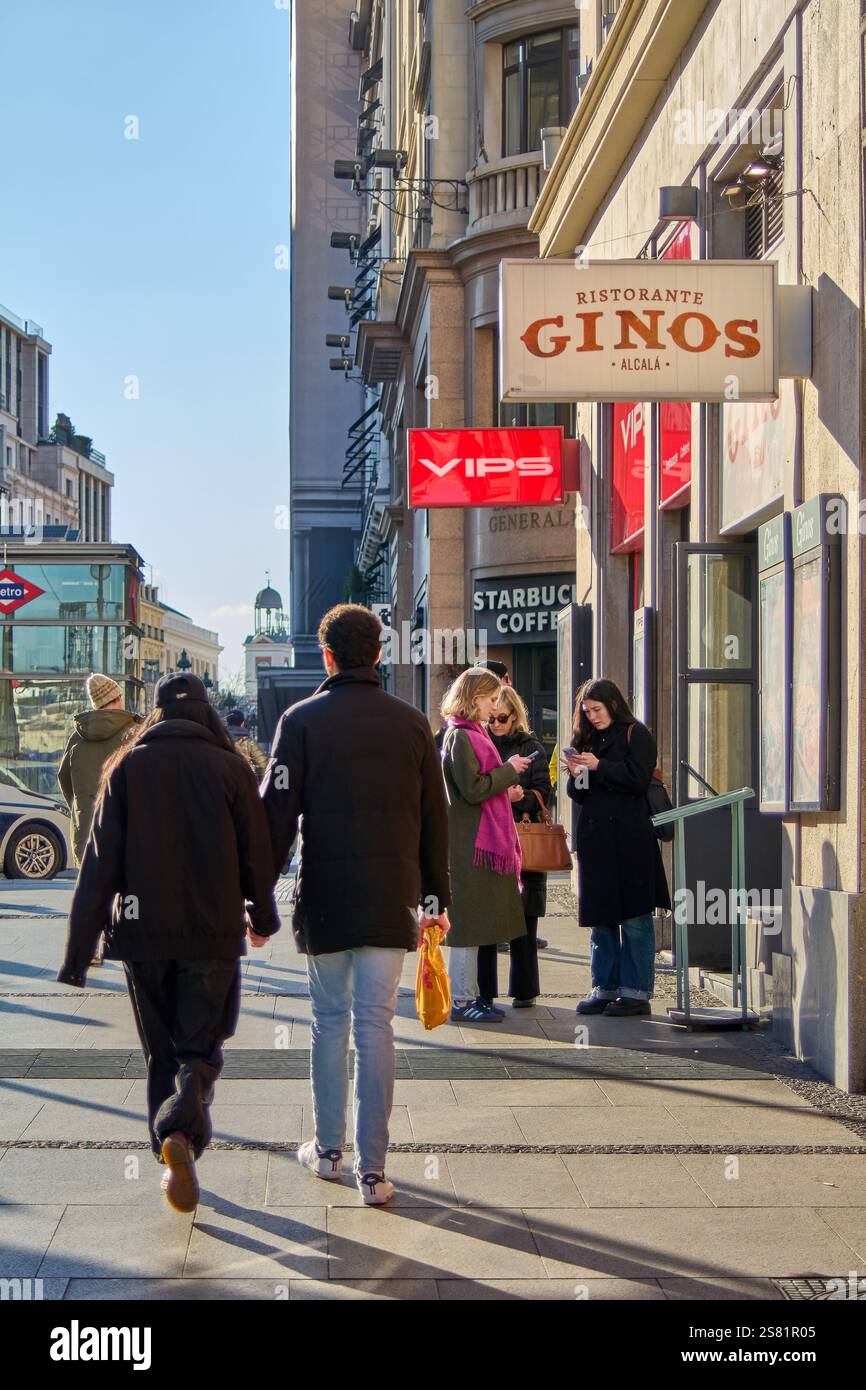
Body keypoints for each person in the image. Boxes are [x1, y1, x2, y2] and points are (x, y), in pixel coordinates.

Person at [57, 672, 280, 1213]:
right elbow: (258, 856)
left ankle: (170, 1146)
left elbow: (98, 865)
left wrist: (79, 951)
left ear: (154, 714)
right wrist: (263, 918)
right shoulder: (231, 768)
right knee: (200, 1045)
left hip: (142, 935)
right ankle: (180, 1131)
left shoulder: (127, 768)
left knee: (160, 1053)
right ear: (207, 714)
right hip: (213, 933)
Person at [261, 603, 450, 1206]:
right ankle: (374, 1173)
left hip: (326, 899)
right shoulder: (413, 723)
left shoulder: (300, 720)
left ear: (327, 656)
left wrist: (256, 900)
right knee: (376, 1029)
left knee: (328, 1024)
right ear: (379, 654)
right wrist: (435, 899)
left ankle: (329, 1152)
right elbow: (434, 821)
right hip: (392, 900)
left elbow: (276, 819)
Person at [563, 677, 670, 1017]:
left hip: (631, 839)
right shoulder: (587, 738)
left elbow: (638, 779)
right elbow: (578, 793)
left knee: (635, 917)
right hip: (597, 840)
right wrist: (576, 771)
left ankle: (636, 992)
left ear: (612, 704)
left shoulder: (636, 733)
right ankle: (604, 987)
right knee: (601, 918)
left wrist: (599, 766)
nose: (592, 716)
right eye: (587, 711)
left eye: (596, 709)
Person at [440, 667, 529, 1022]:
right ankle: (461, 1001)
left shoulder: (468, 734)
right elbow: (473, 789)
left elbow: (476, 787)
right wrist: (508, 770)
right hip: (470, 842)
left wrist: (504, 784)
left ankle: (468, 997)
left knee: (471, 924)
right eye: (491, 700)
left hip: (472, 839)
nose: (495, 708)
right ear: (475, 698)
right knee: (465, 926)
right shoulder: (462, 736)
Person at [477, 685, 551, 1008]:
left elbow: (544, 793)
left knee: (523, 920)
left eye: (502, 718)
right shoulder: (481, 743)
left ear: (515, 716)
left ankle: (524, 990)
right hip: (490, 840)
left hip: (521, 839)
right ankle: (484, 992)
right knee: (488, 920)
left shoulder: (531, 746)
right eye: (492, 719)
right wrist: (500, 794)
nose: (495, 724)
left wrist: (523, 800)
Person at [57, 673, 141, 866]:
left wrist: (81, 809)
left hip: (88, 832)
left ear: (96, 704)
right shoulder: (135, 733)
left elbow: (64, 779)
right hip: (127, 831)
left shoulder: (77, 738)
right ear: (118, 698)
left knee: (92, 893)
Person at [225, 708, 268, 777]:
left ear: (227, 723)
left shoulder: (220, 741)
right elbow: (263, 764)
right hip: (245, 782)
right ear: (242, 723)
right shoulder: (249, 742)